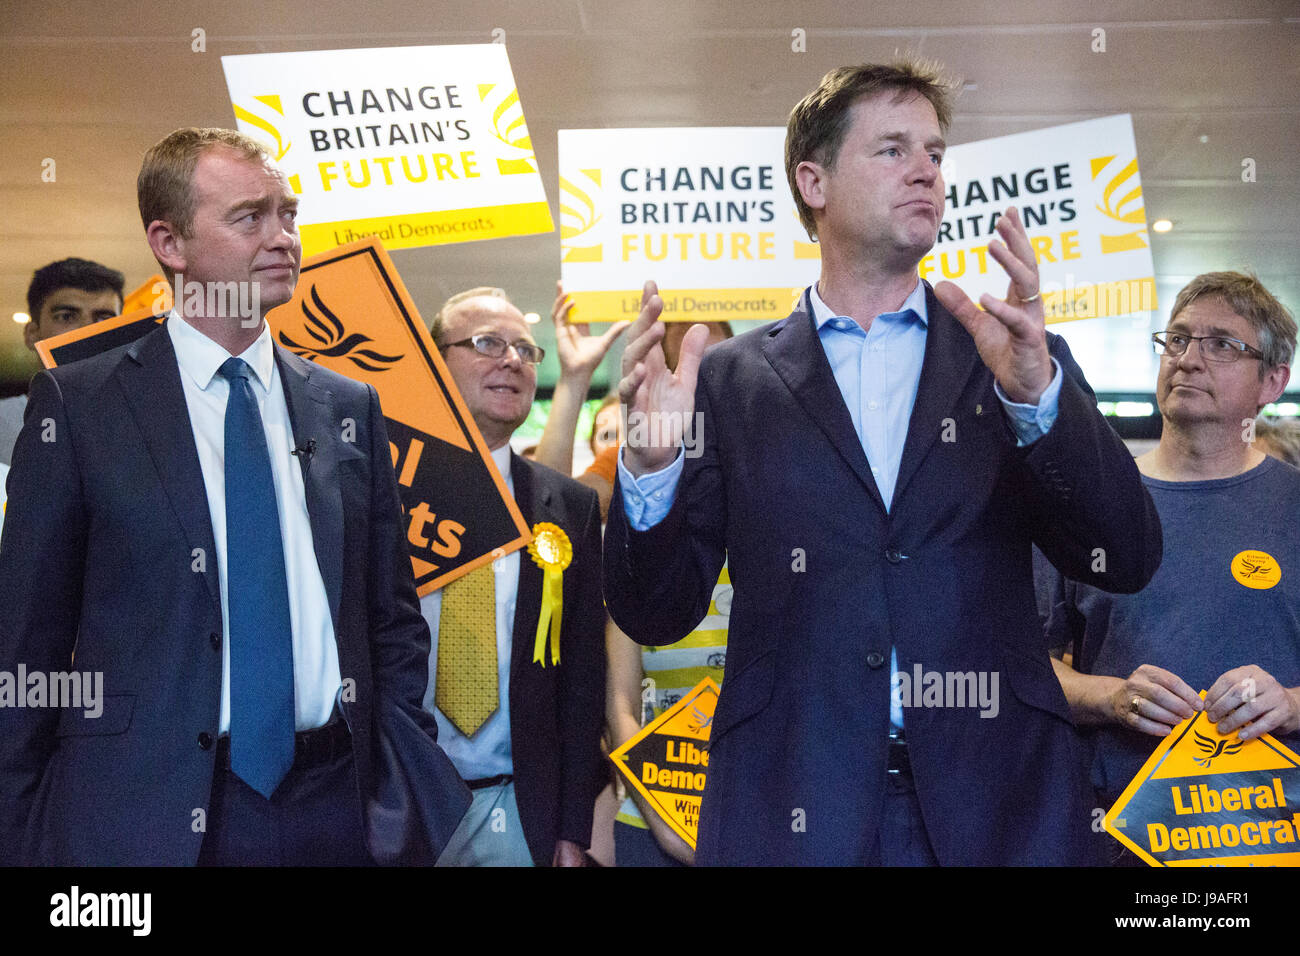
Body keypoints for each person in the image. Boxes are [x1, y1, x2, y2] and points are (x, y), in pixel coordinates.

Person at [604, 58, 1162, 865]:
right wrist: (651, 470)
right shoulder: (731, 381)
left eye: (935, 152)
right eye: (893, 149)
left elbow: (1127, 555)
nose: (927, 171)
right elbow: (657, 612)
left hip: (1001, 804)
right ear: (814, 181)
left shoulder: (1007, 358)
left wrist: (1040, 400)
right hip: (792, 802)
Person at [0, 127, 469, 865]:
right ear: (170, 242)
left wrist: (396, 777)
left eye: (288, 214)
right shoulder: (80, 406)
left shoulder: (349, 406)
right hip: (146, 816)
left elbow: (392, 620)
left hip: (339, 810)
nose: (284, 237)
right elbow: (25, 646)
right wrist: (21, 838)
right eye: (250, 218)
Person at [1046, 272, 1300, 863]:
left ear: (1273, 381)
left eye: (1221, 344)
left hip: (1272, 839)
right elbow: (1023, 668)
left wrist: (1288, 702)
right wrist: (1112, 697)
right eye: (1177, 340)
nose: (1188, 359)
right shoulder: (1088, 505)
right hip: (1114, 839)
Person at [424, 287, 606, 866]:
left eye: (527, 350)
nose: (513, 360)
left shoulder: (567, 508)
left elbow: (582, 676)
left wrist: (573, 828)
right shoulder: (384, 492)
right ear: (434, 362)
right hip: (405, 809)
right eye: (486, 343)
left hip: (522, 813)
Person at [0, 258, 125, 466]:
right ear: (32, 334)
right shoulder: (3, 422)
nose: (88, 332)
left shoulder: (145, 423)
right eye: (66, 317)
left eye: (105, 319)